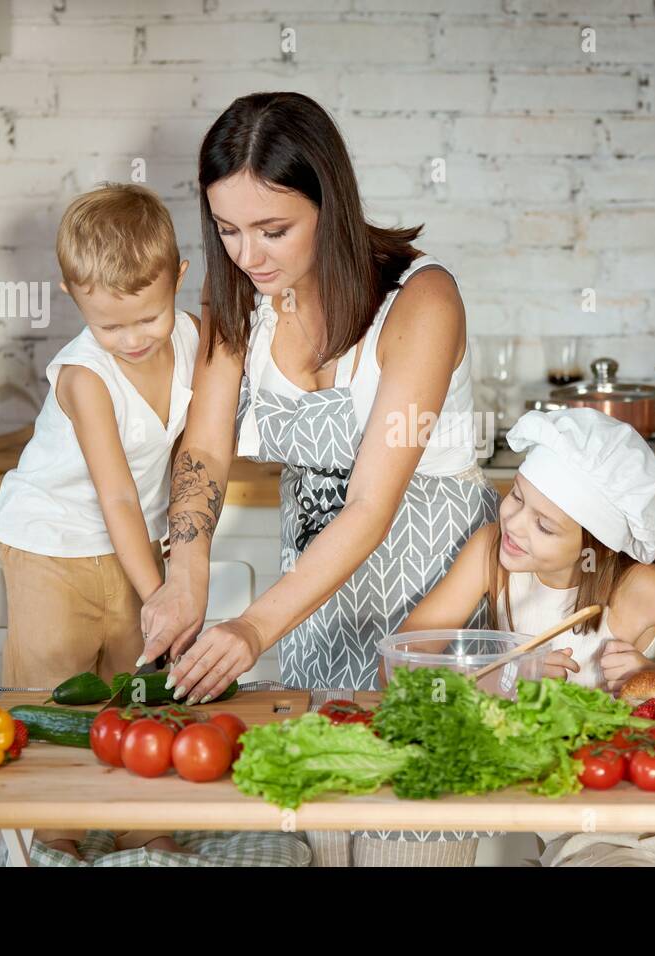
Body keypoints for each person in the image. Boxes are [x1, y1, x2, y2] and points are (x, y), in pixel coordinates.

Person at [138, 92, 495, 866]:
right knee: (320, 842)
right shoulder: (240, 292)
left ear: (328, 205)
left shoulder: (421, 301)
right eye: (227, 230)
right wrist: (186, 569)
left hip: (429, 614)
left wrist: (251, 628)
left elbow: (369, 506)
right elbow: (205, 440)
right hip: (314, 612)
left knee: (412, 841)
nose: (249, 256)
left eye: (274, 230)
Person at [398, 407, 655, 866]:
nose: (515, 523)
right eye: (517, 496)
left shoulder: (638, 588)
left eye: (545, 525)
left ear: (595, 547)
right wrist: (502, 677)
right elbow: (407, 654)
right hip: (588, 830)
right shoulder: (489, 555)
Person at [0, 183, 198, 860]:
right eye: (111, 326)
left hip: (131, 543)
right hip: (51, 546)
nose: (133, 340)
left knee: (134, 692)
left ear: (180, 280)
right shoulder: (85, 376)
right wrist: (160, 593)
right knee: (59, 700)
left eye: (149, 317)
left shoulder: (195, 340)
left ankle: (139, 820)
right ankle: (57, 832)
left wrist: (158, 582)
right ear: (74, 298)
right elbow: (114, 497)